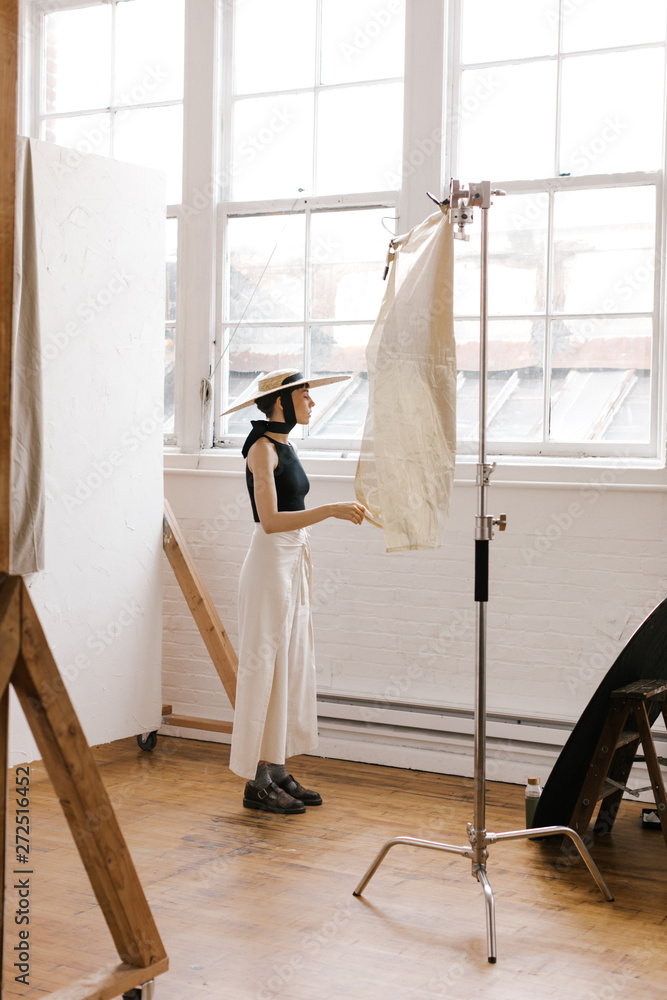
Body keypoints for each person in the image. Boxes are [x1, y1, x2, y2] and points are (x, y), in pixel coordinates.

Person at [221, 369, 366, 814]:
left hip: (291, 562)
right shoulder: (261, 451)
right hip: (269, 565)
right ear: (281, 402)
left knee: (289, 665)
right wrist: (330, 510)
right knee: (264, 668)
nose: (313, 402)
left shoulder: (285, 445)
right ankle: (256, 782)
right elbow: (269, 520)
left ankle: (276, 768)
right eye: (306, 394)